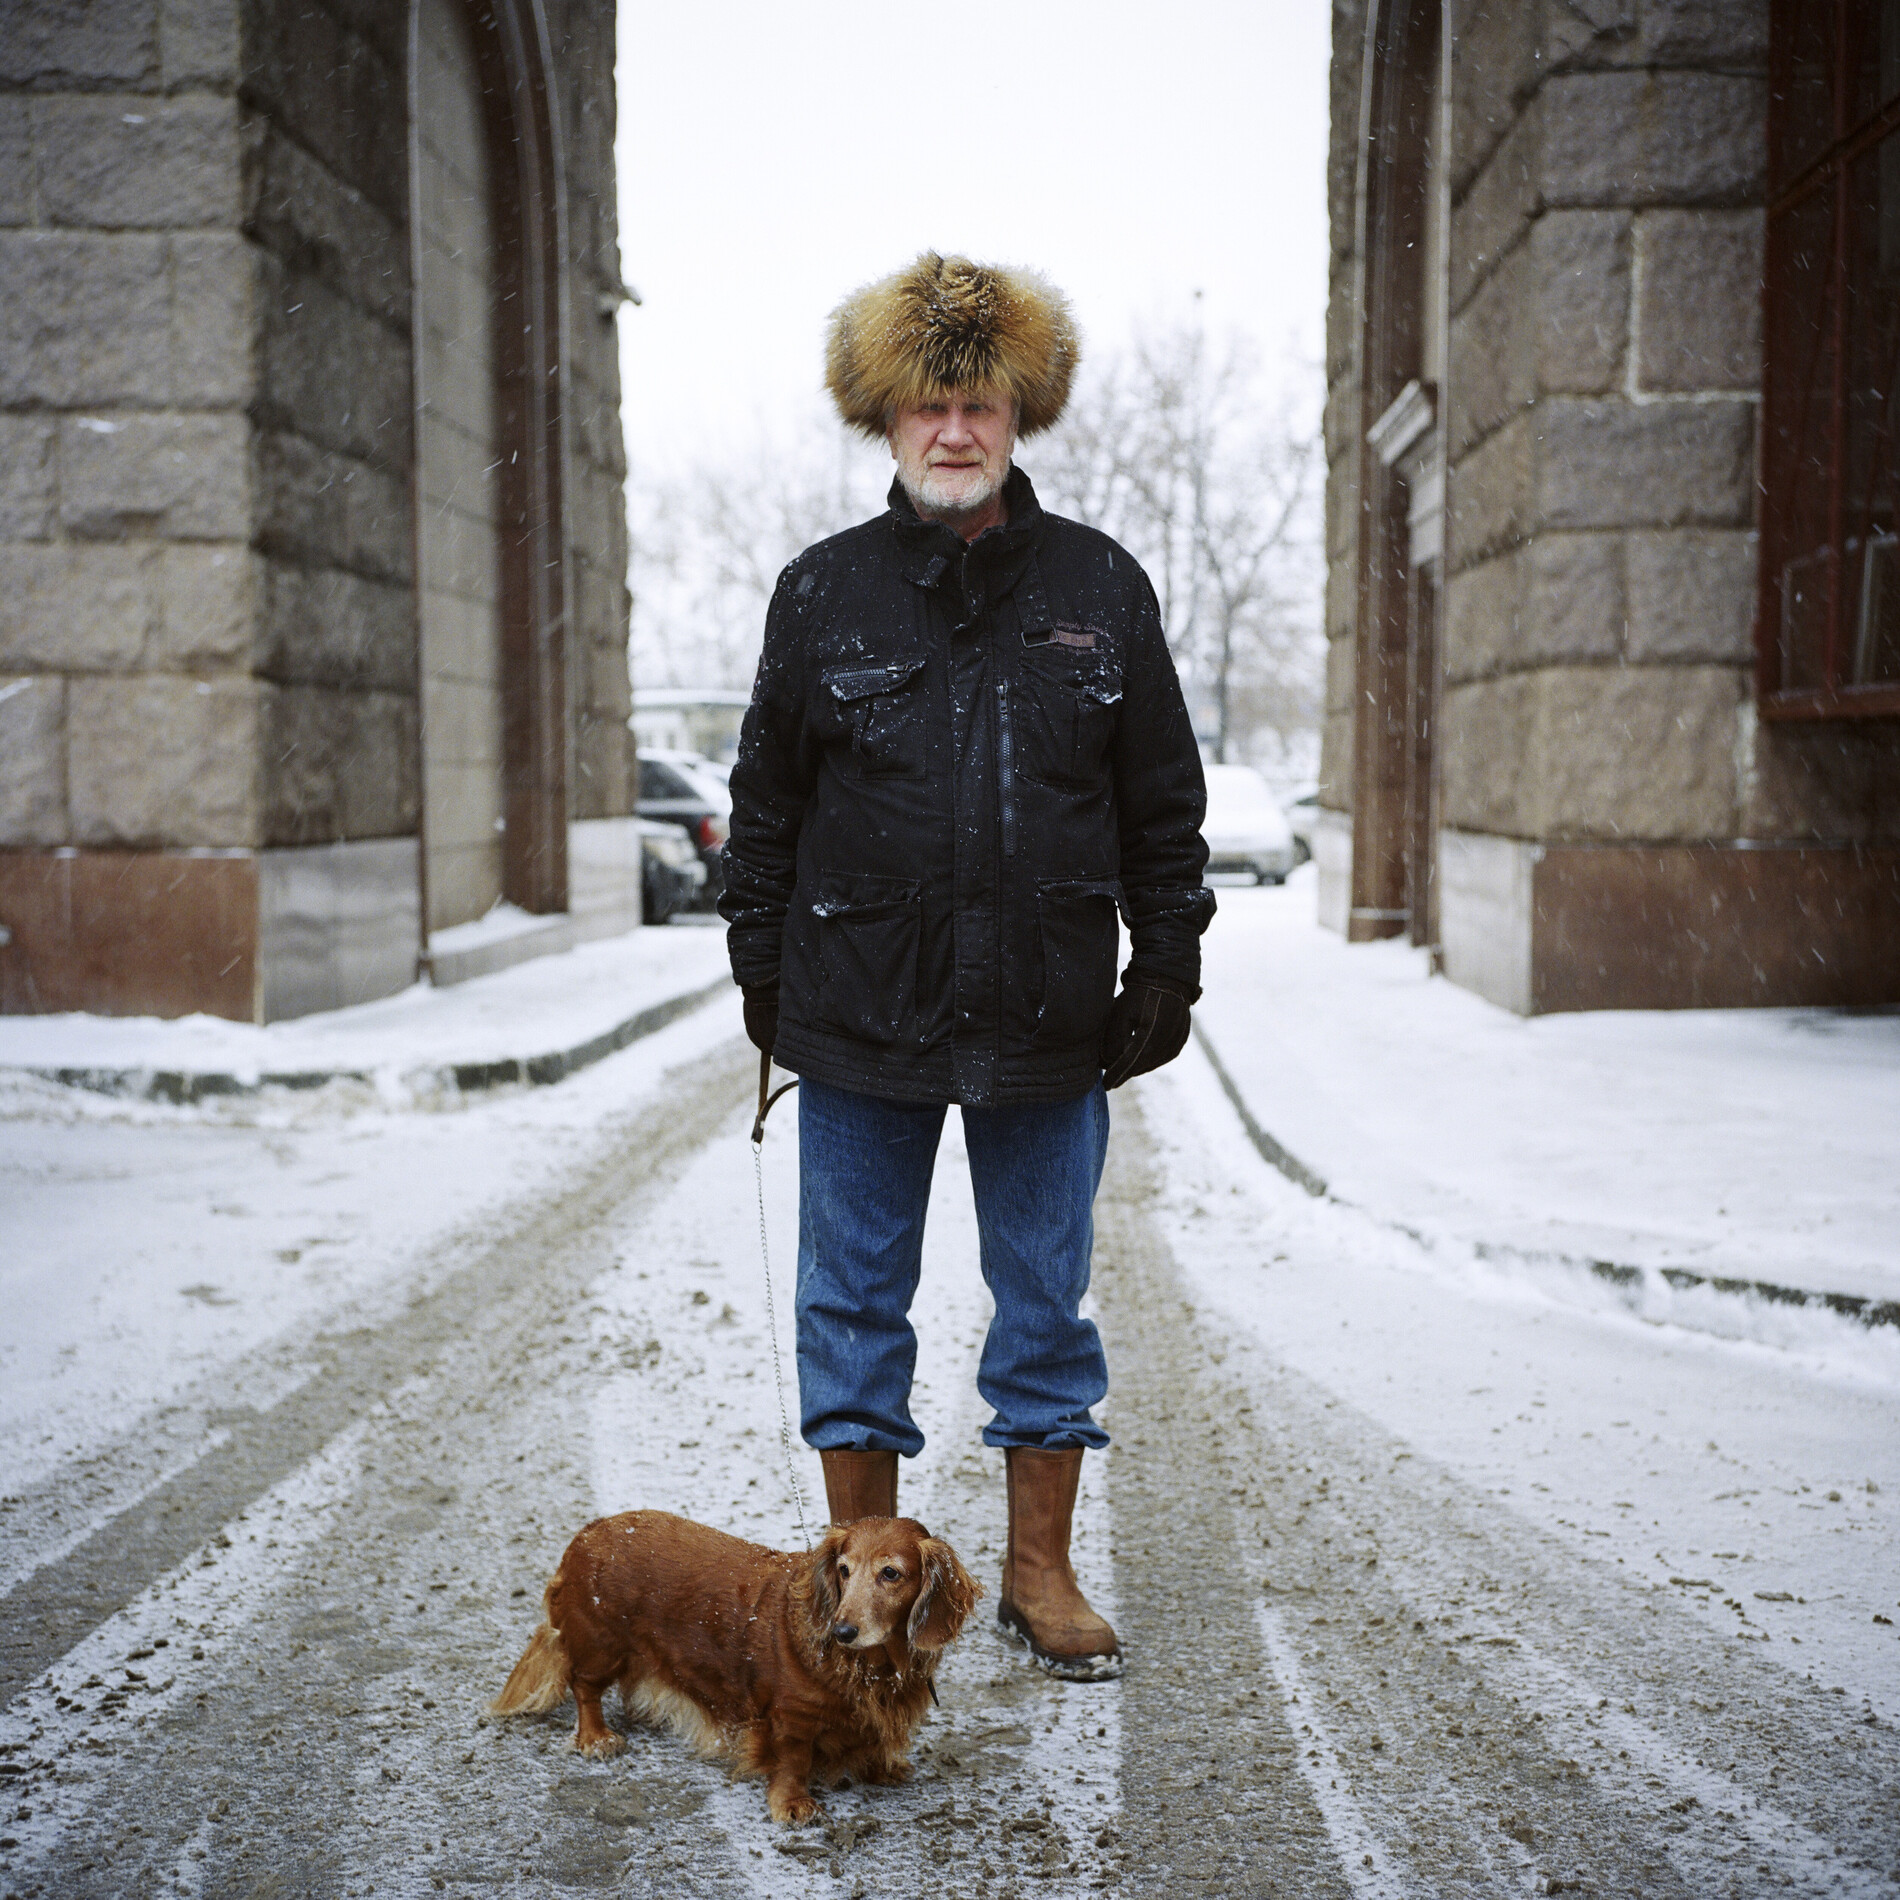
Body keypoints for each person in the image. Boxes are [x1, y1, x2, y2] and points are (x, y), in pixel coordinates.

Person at [720, 253, 1212, 1680]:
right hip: (859, 1017)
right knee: (853, 1307)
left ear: (1016, 418)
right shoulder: (823, 593)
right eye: (928, 406)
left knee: (1045, 1305)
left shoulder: (1101, 588)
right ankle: (860, 1589)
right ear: (887, 418)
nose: (953, 431)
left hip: (1049, 1021)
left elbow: (1160, 802)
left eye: (979, 405)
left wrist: (1166, 962)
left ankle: (1037, 1573)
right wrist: (762, 960)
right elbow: (768, 802)